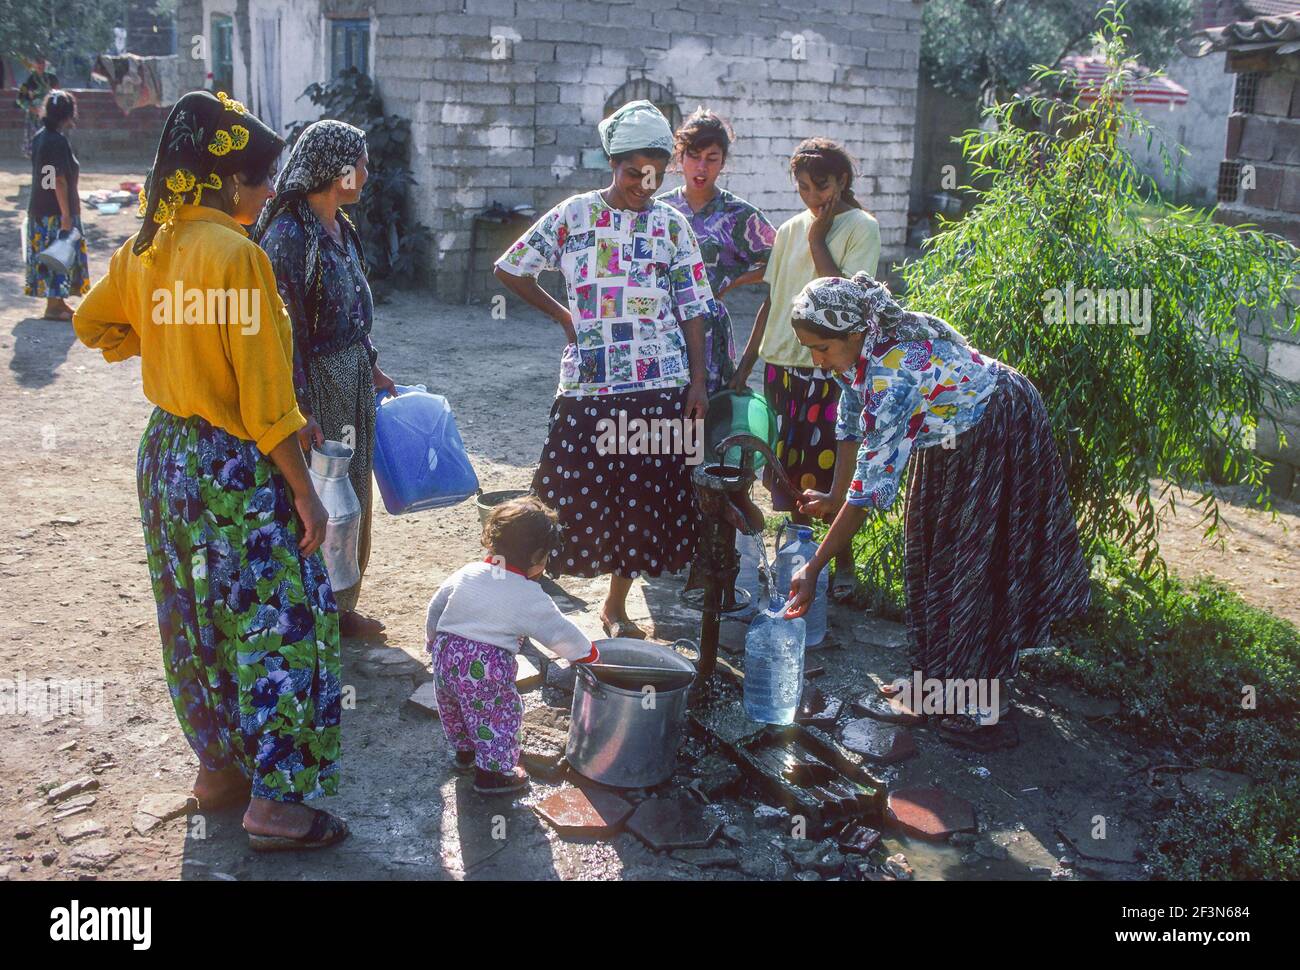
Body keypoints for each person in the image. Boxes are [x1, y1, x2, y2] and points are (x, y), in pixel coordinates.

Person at [73, 91, 348, 851]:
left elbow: (91, 321)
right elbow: (264, 405)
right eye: (263, 181)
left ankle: (220, 771)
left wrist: (164, 349)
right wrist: (304, 492)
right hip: (235, 466)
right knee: (282, 615)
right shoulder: (239, 256)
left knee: (195, 613)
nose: (269, 194)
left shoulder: (148, 248)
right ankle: (278, 806)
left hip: (168, 457)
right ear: (230, 183)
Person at [783, 273, 1092, 745]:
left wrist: (815, 565)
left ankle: (984, 703)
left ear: (854, 333)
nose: (816, 360)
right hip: (949, 434)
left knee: (975, 561)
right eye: (809, 348)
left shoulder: (891, 372)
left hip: (997, 424)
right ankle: (936, 685)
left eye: (822, 348)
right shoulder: (856, 357)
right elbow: (850, 424)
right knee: (930, 550)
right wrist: (832, 494)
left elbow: (868, 492)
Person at [493, 99, 714, 640]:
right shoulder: (575, 215)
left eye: (656, 173)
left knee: (641, 502)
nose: (644, 183)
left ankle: (615, 605)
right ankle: (520, 607)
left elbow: (693, 306)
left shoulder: (672, 225)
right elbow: (511, 267)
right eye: (633, 171)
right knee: (561, 494)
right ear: (612, 164)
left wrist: (699, 383)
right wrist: (564, 314)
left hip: (658, 384)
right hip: (590, 385)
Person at [255, 120, 394, 638]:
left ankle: (341, 603)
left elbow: (355, 308)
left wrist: (371, 363)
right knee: (318, 499)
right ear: (338, 172)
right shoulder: (289, 235)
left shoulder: (341, 227)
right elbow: (281, 331)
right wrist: (301, 408)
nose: (366, 172)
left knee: (351, 492)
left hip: (351, 377)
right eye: (360, 163)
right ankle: (313, 610)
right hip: (315, 386)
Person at [730, 138, 880, 599]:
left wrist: (819, 236)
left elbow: (842, 296)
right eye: (802, 188)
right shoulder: (790, 228)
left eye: (821, 186)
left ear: (842, 182)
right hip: (782, 365)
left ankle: (843, 562)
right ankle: (802, 555)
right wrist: (746, 365)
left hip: (828, 366)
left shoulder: (860, 227)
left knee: (834, 464)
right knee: (789, 466)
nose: (812, 197)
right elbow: (773, 301)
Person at [426, 497, 598, 795]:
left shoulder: (468, 572)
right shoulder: (529, 594)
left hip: (446, 654)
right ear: (538, 557)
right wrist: (588, 654)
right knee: (496, 714)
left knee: (454, 706)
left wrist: (432, 640)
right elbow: (558, 632)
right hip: (484, 666)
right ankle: (492, 774)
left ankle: (465, 753)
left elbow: (436, 606)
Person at [658, 108, 776, 394]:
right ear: (679, 157)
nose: (702, 167)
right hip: (660, 330)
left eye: (711, 159)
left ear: (723, 162)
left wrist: (733, 281)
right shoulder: (658, 211)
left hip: (710, 336)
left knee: (705, 420)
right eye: (694, 157)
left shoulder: (739, 215)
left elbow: (780, 263)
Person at [24, 90, 87, 320]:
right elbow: (56, 180)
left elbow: (47, 175)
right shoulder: (56, 141)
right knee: (58, 255)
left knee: (54, 256)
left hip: (41, 209)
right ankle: (54, 305)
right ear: (68, 115)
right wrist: (65, 214)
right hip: (54, 212)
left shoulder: (41, 137)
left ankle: (58, 302)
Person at [15, 57, 58, 158]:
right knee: (35, 143)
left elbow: (58, 94)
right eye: (38, 64)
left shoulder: (52, 79)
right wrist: (31, 108)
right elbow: (20, 99)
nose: (40, 66)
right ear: (34, 65)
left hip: (49, 115)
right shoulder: (28, 81)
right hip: (34, 116)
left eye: (42, 64)